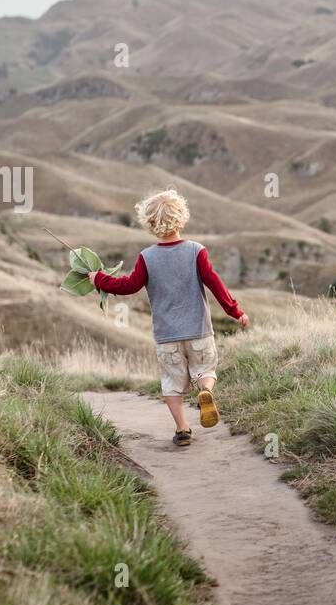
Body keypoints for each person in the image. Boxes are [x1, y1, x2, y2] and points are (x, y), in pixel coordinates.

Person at [90, 188, 249, 446]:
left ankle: (183, 429)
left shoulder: (147, 257)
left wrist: (98, 278)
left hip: (167, 337)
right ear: (182, 219)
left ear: (150, 224)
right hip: (198, 331)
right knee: (205, 370)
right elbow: (215, 284)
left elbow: (128, 286)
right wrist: (235, 311)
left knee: (172, 385)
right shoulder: (197, 251)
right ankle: (205, 391)